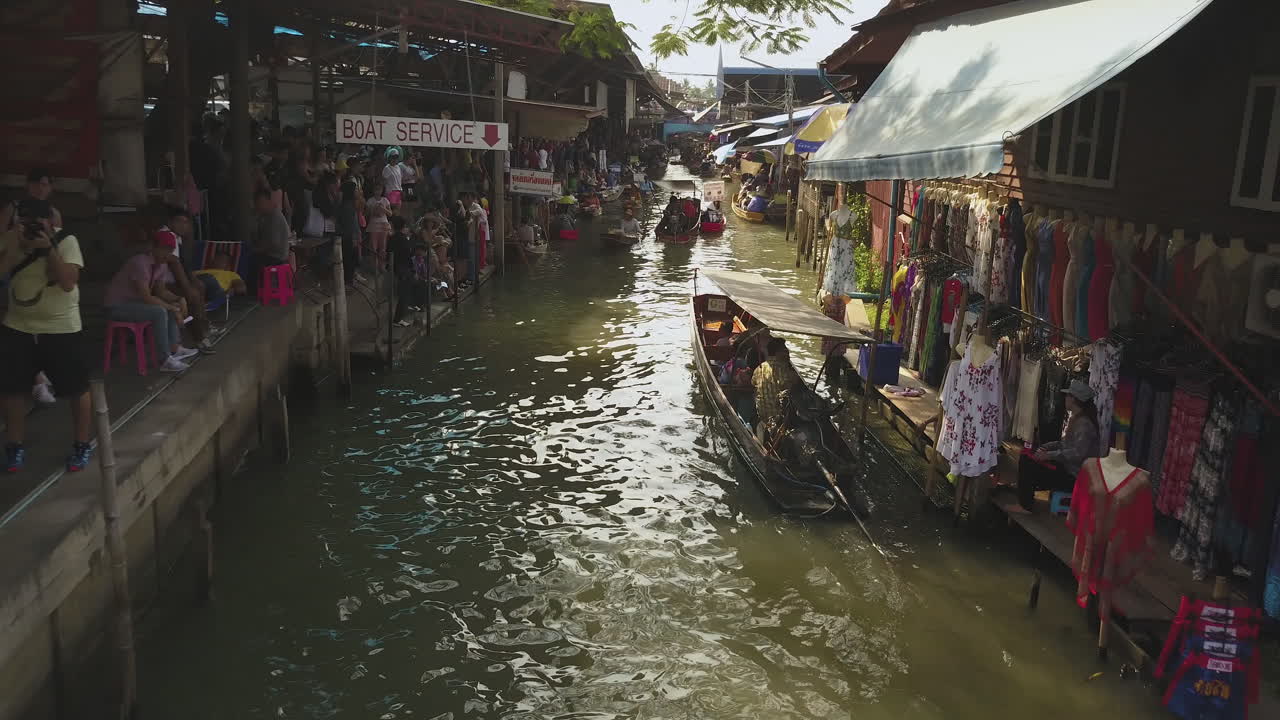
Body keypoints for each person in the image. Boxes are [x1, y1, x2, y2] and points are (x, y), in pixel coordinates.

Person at [0, 199, 93, 472]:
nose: (29, 228)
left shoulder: (67, 241)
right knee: (12, 391)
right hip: (18, 326)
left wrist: (47, 248)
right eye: (24, 223)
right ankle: (14, 447)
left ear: (50, 223)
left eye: (36, 224)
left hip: (61, 328)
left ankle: (81, 445)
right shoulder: (12, 239)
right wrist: (16, 246)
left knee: (76, 389)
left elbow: (67, 282)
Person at [105, 230, 201, 374]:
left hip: (135, 304)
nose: (167, 254)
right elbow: (146, 297)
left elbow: (161, 292)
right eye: (164, 249)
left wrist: (178, 300)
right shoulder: (140, 263)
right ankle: (164, 360)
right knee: (159, 311)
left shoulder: (162, 265)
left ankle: (175, 348)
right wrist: (173, 308)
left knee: (169, 307)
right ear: (153, 247)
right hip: (117, 306)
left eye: (170, 251)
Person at [1022, 379, 1102, 510]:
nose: (1065, 398)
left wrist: (1049, 455)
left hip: (1074, 476)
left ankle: (1025, 506)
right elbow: (1064, 444)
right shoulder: (1076, 419)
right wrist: (1046, 447)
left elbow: (1077, 454)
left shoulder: (1085, 425)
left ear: (1074, 399)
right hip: (1068, 469)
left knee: (1028, 464)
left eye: (1068, 395)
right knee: (1028, 456)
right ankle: (1025, 498)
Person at [752, 337, 802, 441]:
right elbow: (794, 386)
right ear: (777, 352)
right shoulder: (784, 370)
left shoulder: (759, 368)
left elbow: (753, 383)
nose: (788, 353)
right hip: (778, 417)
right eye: (785, 350)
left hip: (762, 414)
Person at [249, 188, 292, 292]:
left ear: (268, 201)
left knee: (251, 259)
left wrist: (258, 249)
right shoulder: (265, 217)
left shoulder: (275, 216)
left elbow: (274, 244)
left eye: (260, 203)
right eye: (257, 203)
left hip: (277, 256)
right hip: (272, 254)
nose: (259, 206)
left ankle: (254, 291)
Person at [365, 180, 391, 263]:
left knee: (383, 246)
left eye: (379, 189)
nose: (378, 191)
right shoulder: (370, 200)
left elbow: (390, 213)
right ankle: (374, 265)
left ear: (382, 190)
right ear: (373, 190)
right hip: (373, 225)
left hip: (383, 224)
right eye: (376, 189)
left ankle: (382, 264)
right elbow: (366, 214)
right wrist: (374, 210)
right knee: (373, 246)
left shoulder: (385, 200)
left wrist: (383, 209)